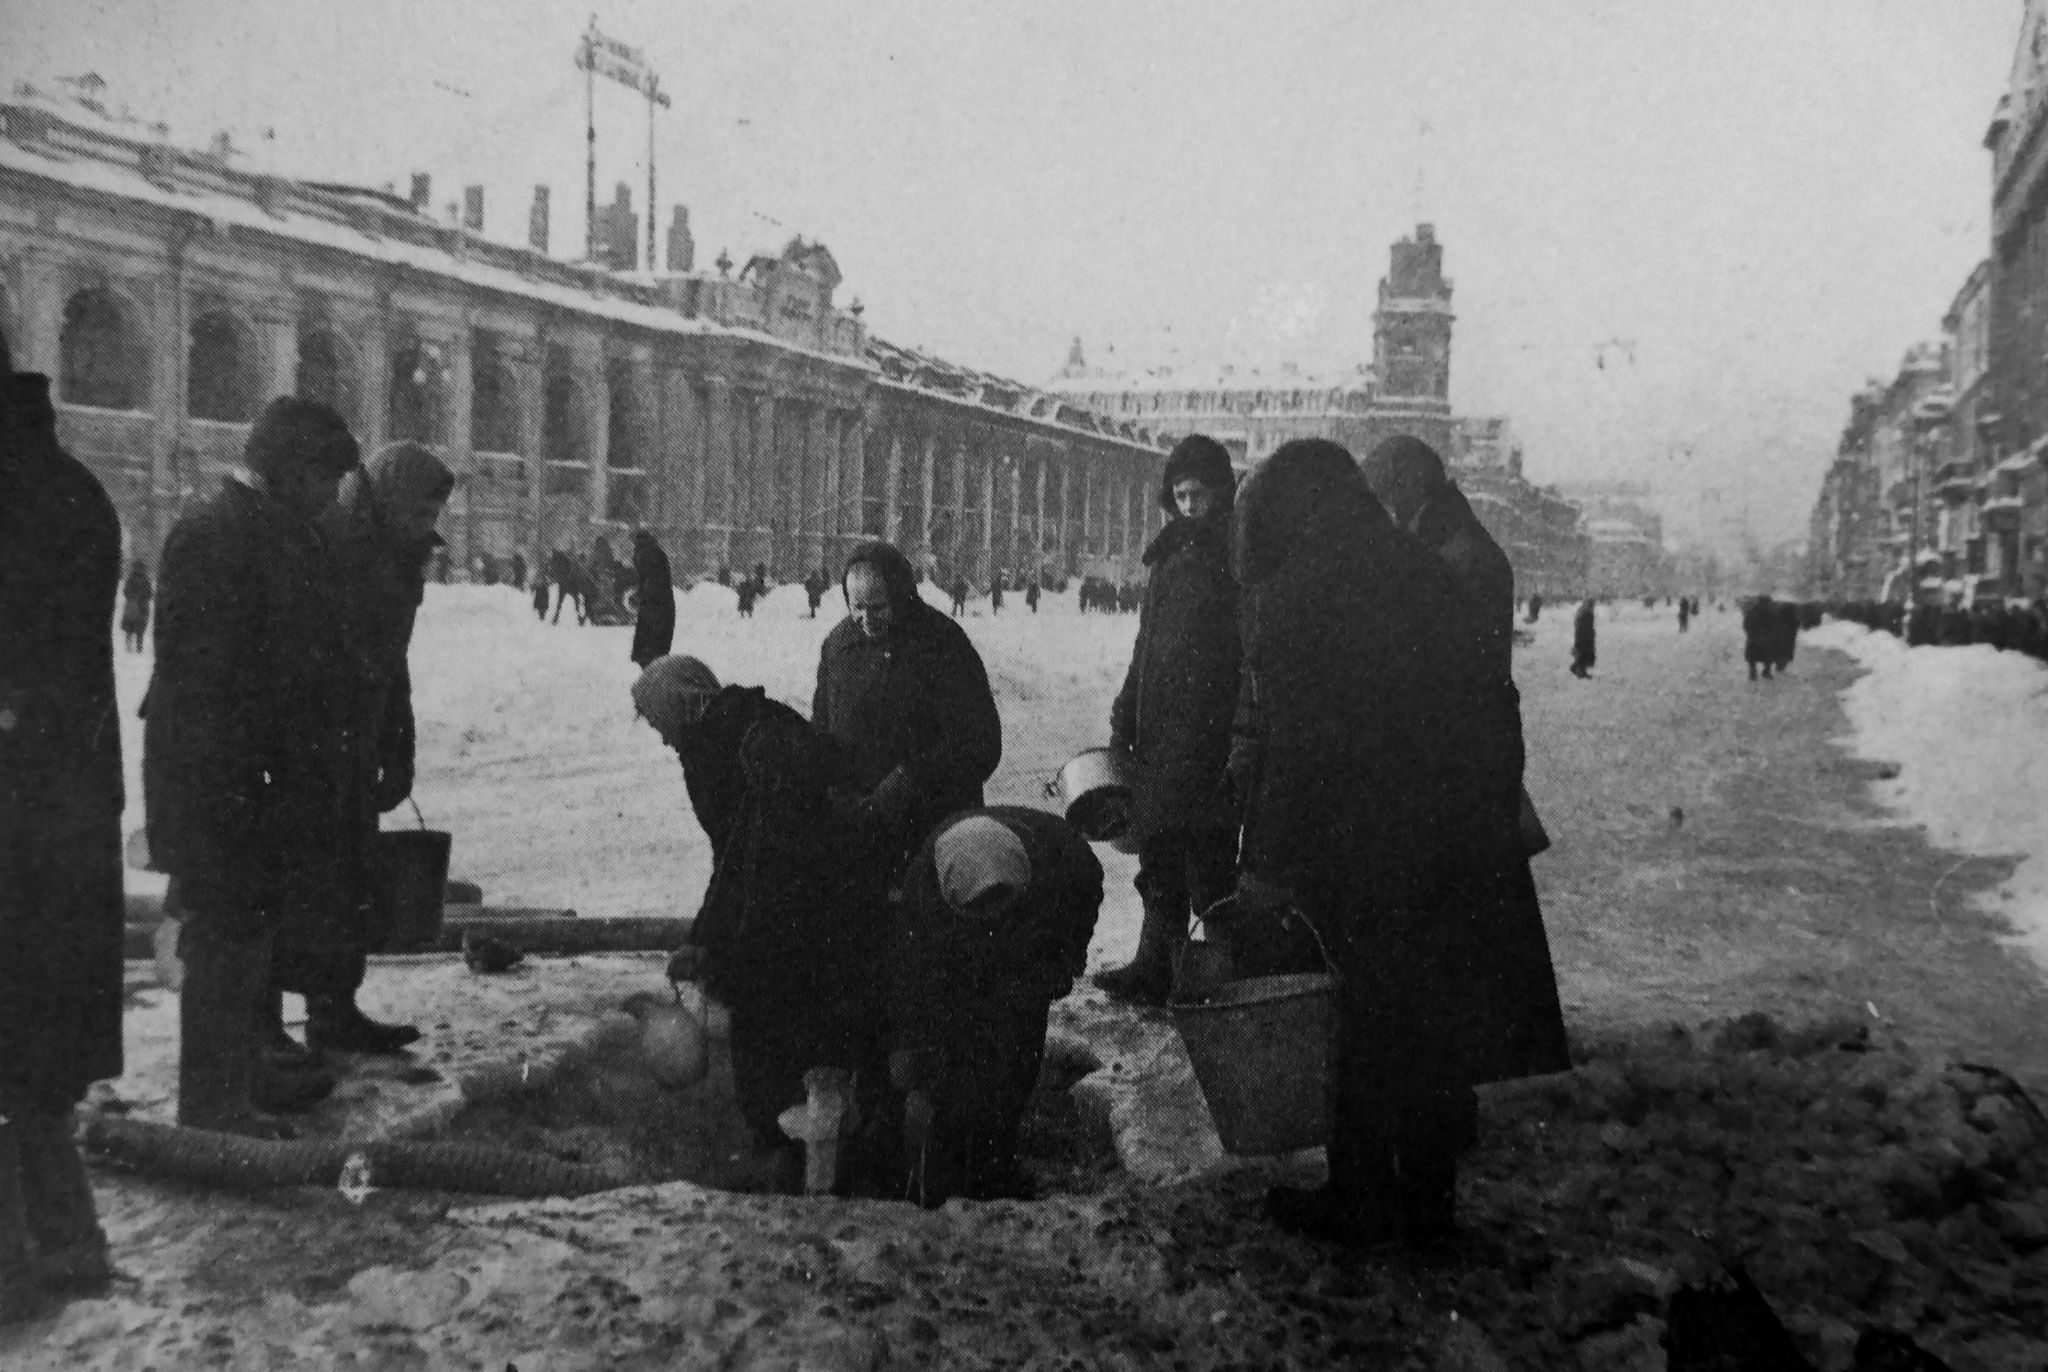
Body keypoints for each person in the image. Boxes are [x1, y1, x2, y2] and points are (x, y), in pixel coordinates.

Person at [1232, 438, 1513, 1249]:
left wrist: (1268, 868)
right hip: (1441, 832)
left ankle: (1357, 1196)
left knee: (1353, 1023)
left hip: (1352, 846)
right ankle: (1425, 1207)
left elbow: (1297, 749)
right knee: (1422, 1023)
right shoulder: (1421, 567)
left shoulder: (1296, 596)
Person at [144, 396, 362, 1137]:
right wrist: (245, 778)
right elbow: (203, 683)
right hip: (220, 779)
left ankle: (245, 1071)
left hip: (253, 779)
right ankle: (212, 1105)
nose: (334, 494)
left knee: (252, 929)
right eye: (326, 477)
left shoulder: (267, 530)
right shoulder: (218, 533)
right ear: (292, 470)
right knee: (223, 935)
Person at [1361, 437, 1570, 1099]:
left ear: (1405, 489)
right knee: (1490, 894)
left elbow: (1447, 663)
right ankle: (1513, 1039)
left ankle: (1504, 1043)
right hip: (1477, 740)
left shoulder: (1453, 554)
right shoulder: (1459, 538)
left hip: (1463, 744)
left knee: (1479, 896)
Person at [635, 657, 875, 1179]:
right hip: (777, 901)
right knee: (768, 1030)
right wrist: (706, 937)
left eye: (659, 722)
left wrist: (725, 949)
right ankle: (790, 1150)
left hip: (809, 905)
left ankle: (801, 1161)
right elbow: (731, 855)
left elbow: (769, 862)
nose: (661, 738)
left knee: (783, 1031)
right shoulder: (708, 745)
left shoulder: (757, 739)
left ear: (683, 701)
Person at [1, 336, 126, 1320]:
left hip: (21, 812)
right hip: (59, 814)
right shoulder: (67, 485)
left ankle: (13, 1271)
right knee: (34, 1056)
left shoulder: (23, 498)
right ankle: (69, 1244)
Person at [269, 440, 453, 1061]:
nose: (429, 527)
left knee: (348, 877)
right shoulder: (330, 541)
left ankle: (335, 1011)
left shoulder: (400, 552)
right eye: (422, 513)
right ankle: (263, 1021)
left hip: (356, 737)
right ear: (392, 499)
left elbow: (391, 662)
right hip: (309, 743)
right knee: (298, 880)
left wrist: (398, 744)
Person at [890, 808, 1102, 1206]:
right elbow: (911, 974)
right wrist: (910, 1046)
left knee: (1018, 1047)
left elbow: (1086, 897)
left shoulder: (1064, 857)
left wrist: (1068, 957)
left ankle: (998, 1159)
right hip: (959, 950)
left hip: (1030, 938)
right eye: (980, 915)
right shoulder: (926, 887)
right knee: (957, 1048)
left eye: (998, 911)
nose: (991, 924)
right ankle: (949, 1164)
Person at [1095, 434, 1241, 1006]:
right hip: (1159, 733)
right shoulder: (1167, 556)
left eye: (1197, 493)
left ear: (1220, 491)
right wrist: (1125, 709)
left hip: (1207, 735)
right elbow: (1146, 645)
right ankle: (1155, 963)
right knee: (1158, 854)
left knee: (1207, 860)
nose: (1188, 505)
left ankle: (1227, 980)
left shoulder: (1234, 555)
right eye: (1179, 494)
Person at [815, 542, 1003, 888]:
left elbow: (982, 741)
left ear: (900, 596)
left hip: (931, 831)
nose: (866, 619)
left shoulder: (943, 642)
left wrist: (913, 777)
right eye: (857, 607)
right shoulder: (838, 646)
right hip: (861, 835)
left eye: (878, 607)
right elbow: (822, 733)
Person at [630, 529, 676, 668]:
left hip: (656, 606)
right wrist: (640, 593)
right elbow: (647, 579)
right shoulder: (652, 553)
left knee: (651, 649)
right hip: (658, 606)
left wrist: (641, 594)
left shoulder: (648, 554)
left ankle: (654, 677)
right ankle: (653, 674)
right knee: (654, 649)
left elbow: (652, 579)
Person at [119, 558, 153, 652]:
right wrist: (141, 597)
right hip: (142, 607)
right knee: (140, 629)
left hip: (132, 606)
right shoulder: (146, 580)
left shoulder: (131, 579)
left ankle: (129, 646)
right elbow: (150, 594)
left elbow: (126, 592)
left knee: (130, 627)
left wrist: (133, 596)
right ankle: (139, 647)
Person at [1570, 598, 1597, 678]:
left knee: (1582, 654)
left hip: (1582, 637)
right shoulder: (1586, 614)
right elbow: (1586, 627)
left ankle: (1577, 669)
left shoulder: (1581, 613)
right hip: (1585, 638)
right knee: (1584, 654)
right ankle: (1580, 671)